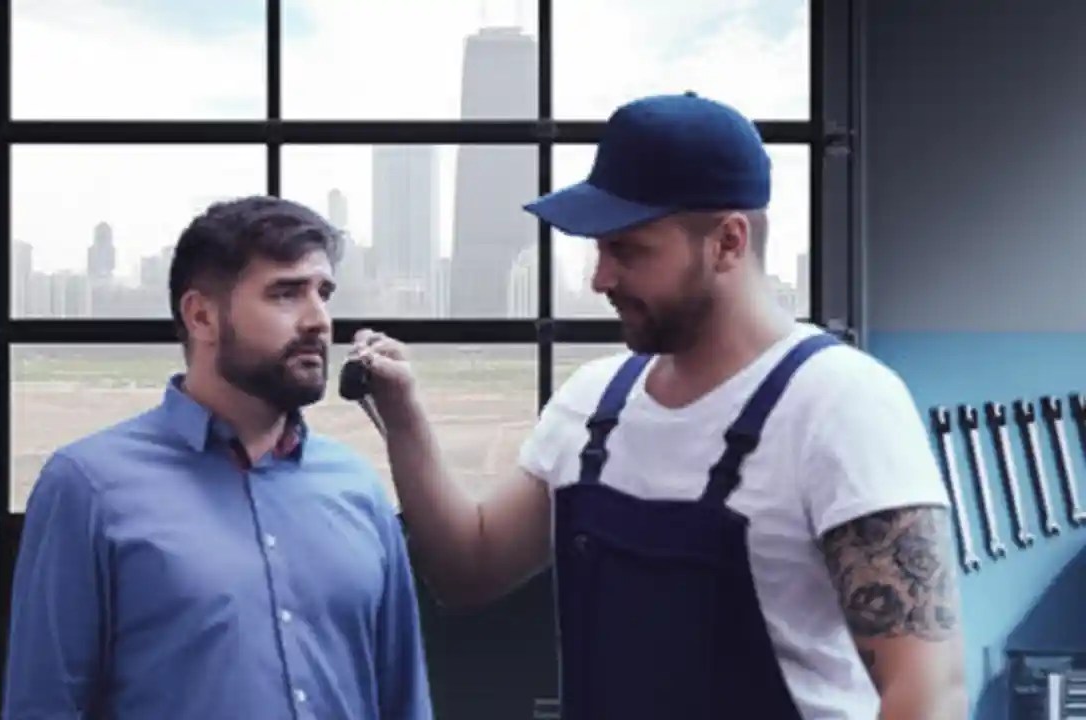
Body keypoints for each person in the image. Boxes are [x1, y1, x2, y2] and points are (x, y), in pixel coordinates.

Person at [350, 94, 966, 719]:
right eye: (600, 250)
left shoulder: (840, 405)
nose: (601, 279)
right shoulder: (593, 404)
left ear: (728, 242)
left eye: (630, 250)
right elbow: (469, 571)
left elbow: (926, 694)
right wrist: (404, 418)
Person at [3, 196, 433, 719]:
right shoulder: (88, 488)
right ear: (202, 315)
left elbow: (404, 700)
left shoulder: (358, 490)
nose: (319, 321)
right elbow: (44, 704)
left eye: (323, 293)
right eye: (285, 293)